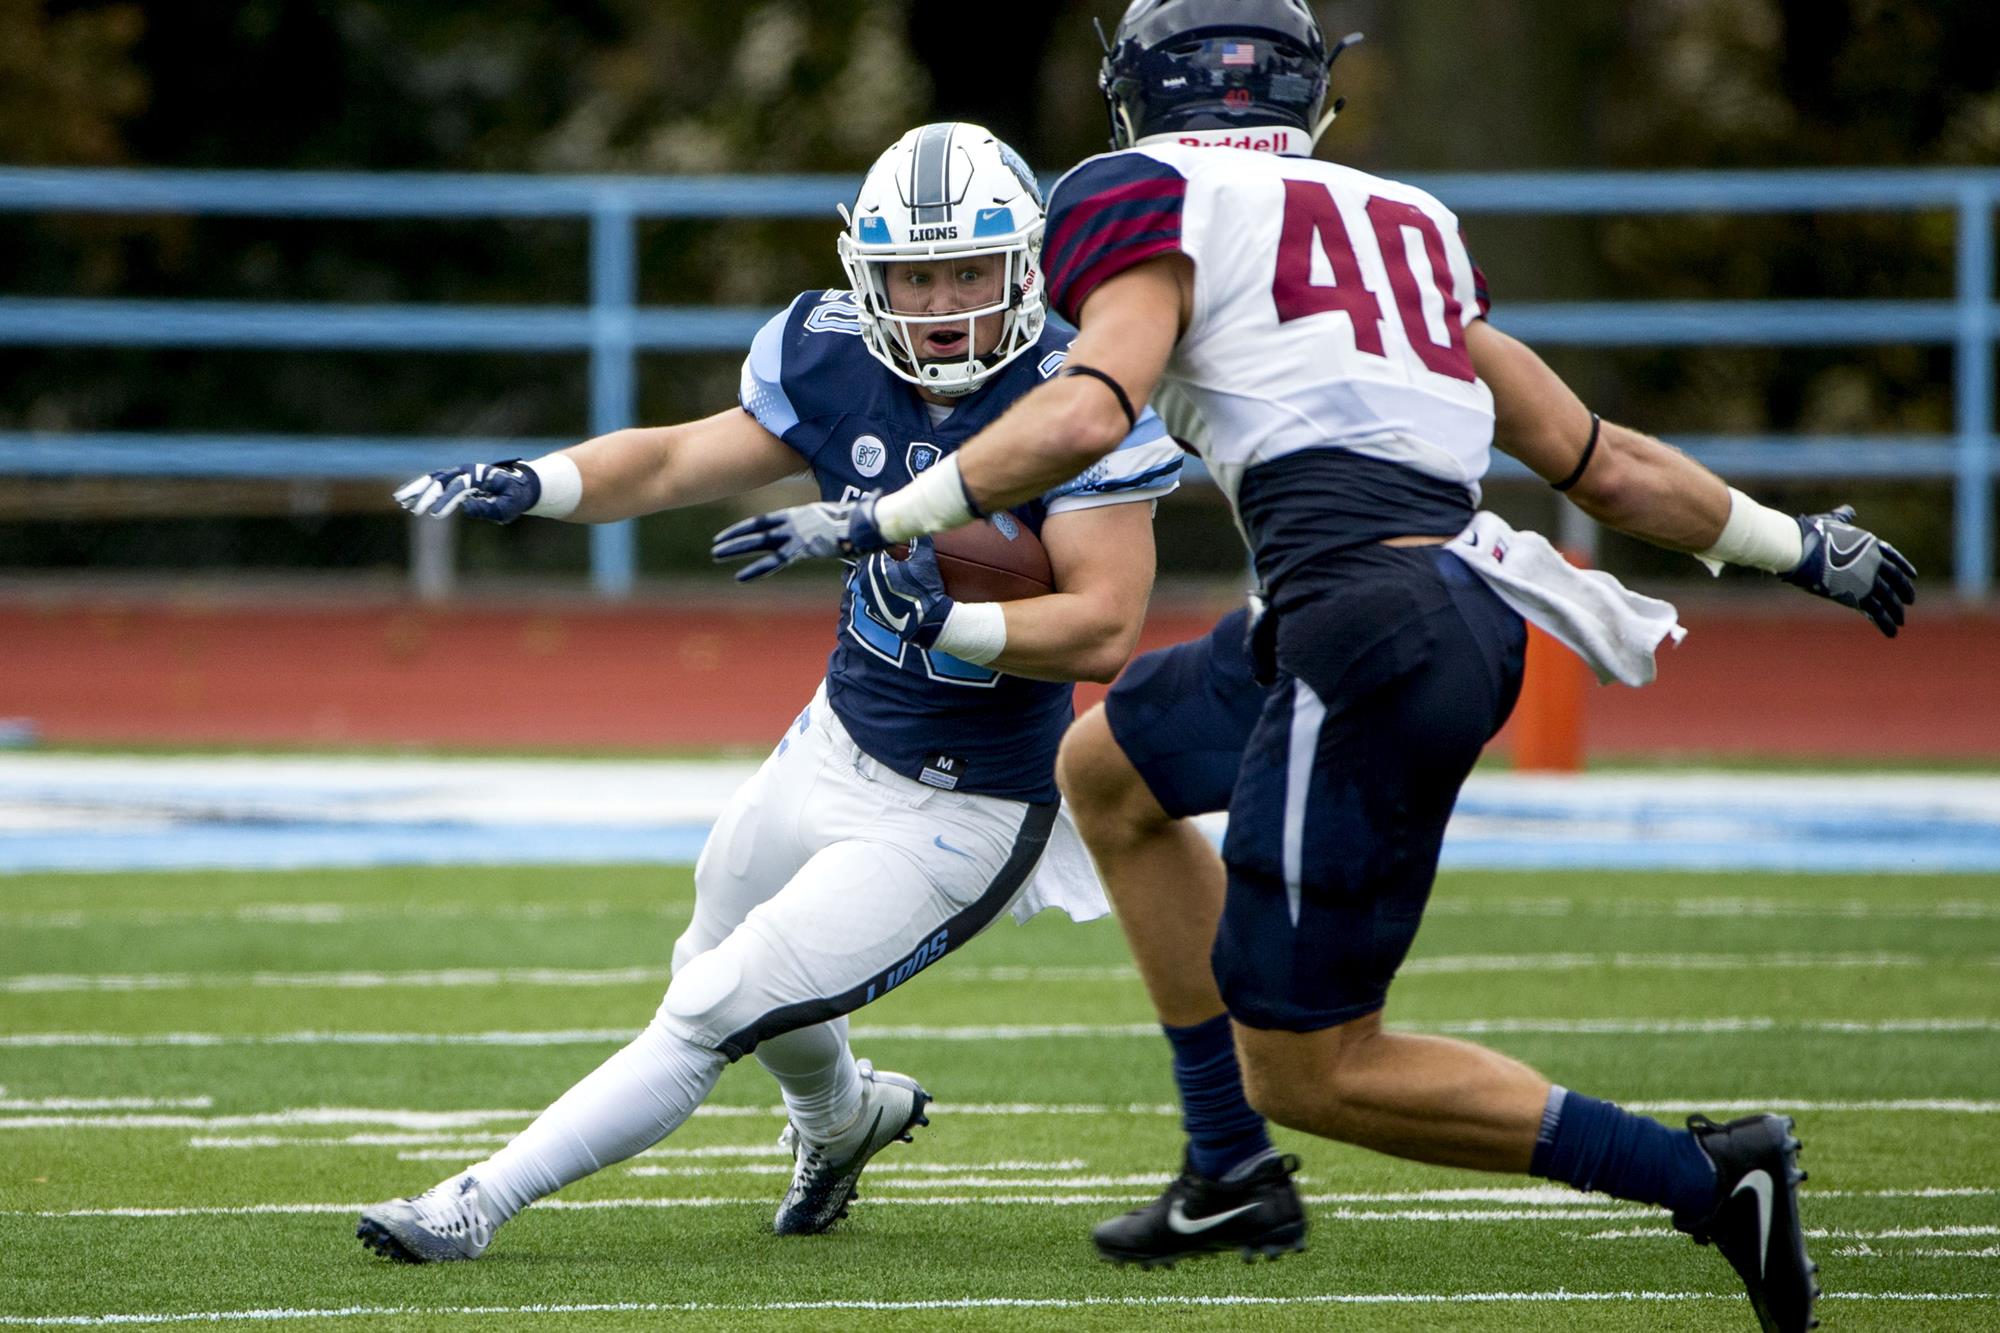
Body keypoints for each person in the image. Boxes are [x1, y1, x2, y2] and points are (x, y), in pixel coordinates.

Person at [710, 6, 1917, 1329]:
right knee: (1106, 764)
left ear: (1137, 98)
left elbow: (1090, 406)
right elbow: (1597, 458)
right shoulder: (1400, 221)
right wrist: (1801, 545)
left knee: (1318, 1066)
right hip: (1403, 604)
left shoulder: (1143, 192)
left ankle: (1704, 1175)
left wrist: (885, 514)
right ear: (1308, 97)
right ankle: (1225, 1166)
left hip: (1369, 629)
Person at [356, 121, 1185, 1263]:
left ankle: (472, 1204)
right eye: (912, 273)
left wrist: (949, 619)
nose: (939, 299)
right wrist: (534, 480)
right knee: (709, 957)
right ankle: (840, 1120)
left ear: (1023, 265)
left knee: (715, 1007)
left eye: (964, 270)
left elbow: (1103, 627)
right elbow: (669, 460)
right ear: (867, 275)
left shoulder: (1080, 403)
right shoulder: (831, 356)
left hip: (968, 802)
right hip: (832, 740)